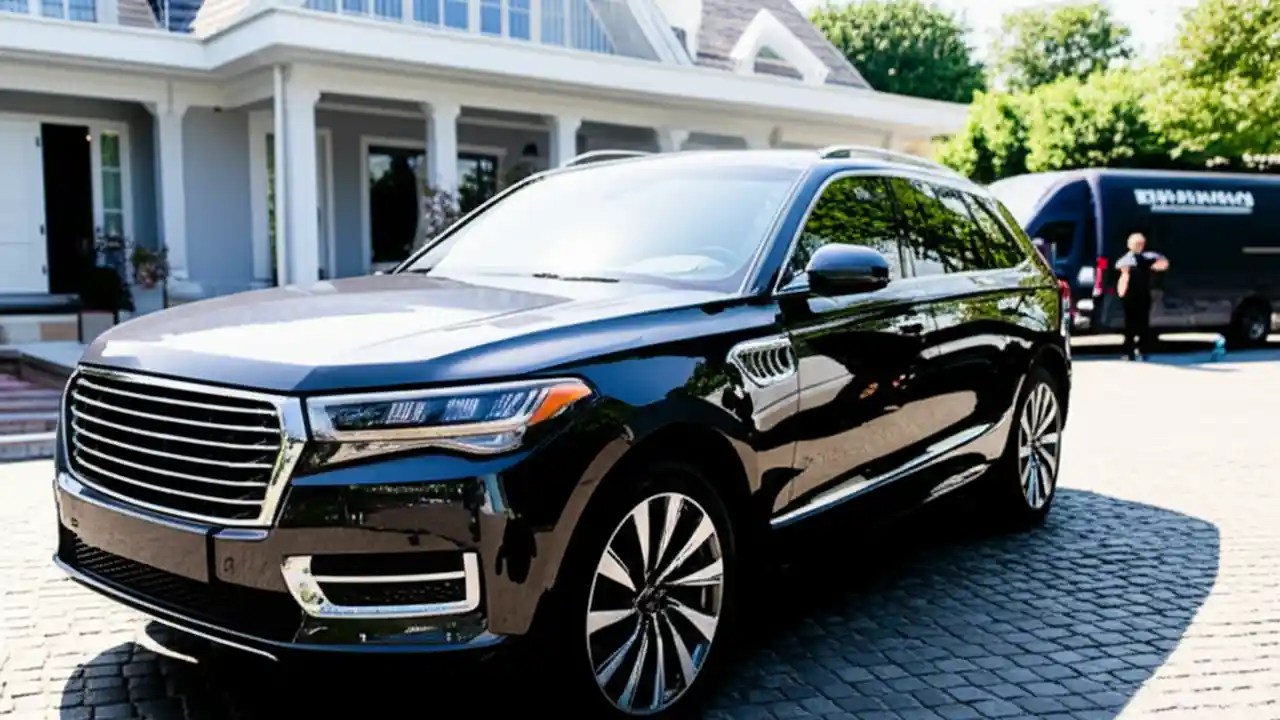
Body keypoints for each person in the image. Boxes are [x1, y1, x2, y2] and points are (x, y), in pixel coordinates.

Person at [1115, 232, 1169, 360]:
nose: (1138, 246)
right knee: (1130, 325)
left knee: (1143, 325)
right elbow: (1123, 275)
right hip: (1130, 297)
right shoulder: (1126, 261)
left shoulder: (1149, 258)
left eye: (1140, 244)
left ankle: (1142, 350)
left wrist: (1157, 266)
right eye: (1136, 244)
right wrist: (1121, 292)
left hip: (1143, 295)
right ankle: (1130, 352)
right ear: (1130, 245)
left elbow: (1163, 264)